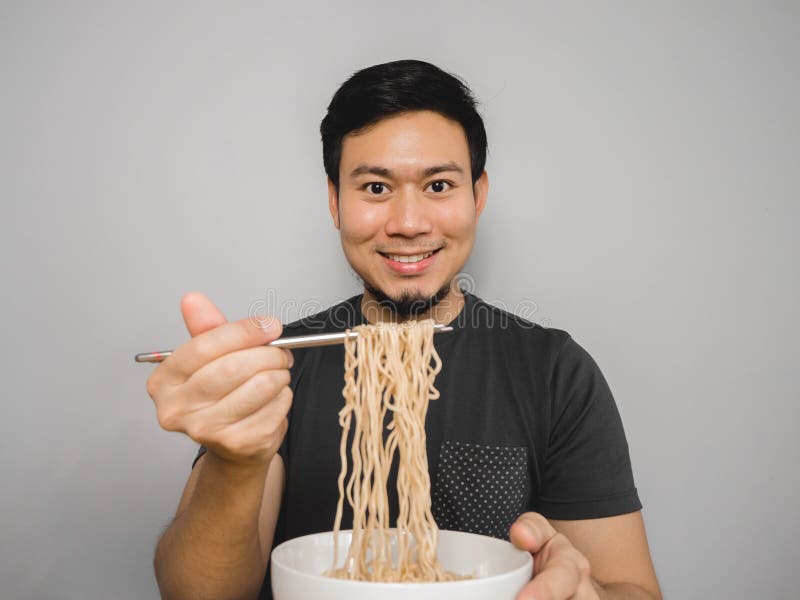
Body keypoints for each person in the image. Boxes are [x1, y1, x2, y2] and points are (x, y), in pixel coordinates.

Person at [146, 59, 662, 600]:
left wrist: (589, 595)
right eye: (374, 187)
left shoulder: (554, 371)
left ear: (477, 196)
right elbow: (194, 594)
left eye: (439, 184)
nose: (409, 223)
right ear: (334, 201)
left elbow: (633, 588)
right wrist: (235, 462)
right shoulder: (278, 367)